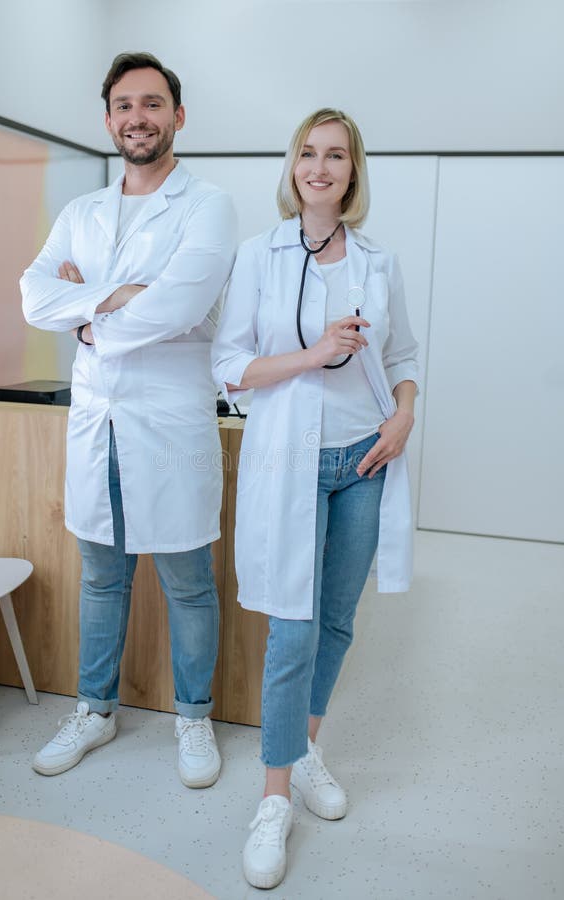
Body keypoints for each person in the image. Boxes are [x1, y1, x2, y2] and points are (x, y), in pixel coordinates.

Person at [212, 108, 418, 888]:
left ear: (353, 171)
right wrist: (313, 352)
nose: (320, 166)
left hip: (363, 458)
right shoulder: (257, 256)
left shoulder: (377, 259)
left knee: (335, 621)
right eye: (308, 153)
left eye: (336, 155)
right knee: (290, 631)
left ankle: (303, 752)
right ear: (293, 166)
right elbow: (228, 365)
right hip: (289, 463)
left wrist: (402, 415)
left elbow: (402, 353)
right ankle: (272, 800)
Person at [21, 52, 237, 787]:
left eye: (151, 104)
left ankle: (194, 717)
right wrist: (120, 297)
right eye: (123, 105)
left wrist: (84, 314)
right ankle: (95, 710)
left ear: (177, 116)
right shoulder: (81, 212)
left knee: (186, 580)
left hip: (169, 422)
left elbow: (180, 305)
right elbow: (31, 296)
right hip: (97, 423)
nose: (136, 117)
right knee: (102, 577)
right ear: (107, 119)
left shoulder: (207, 205)